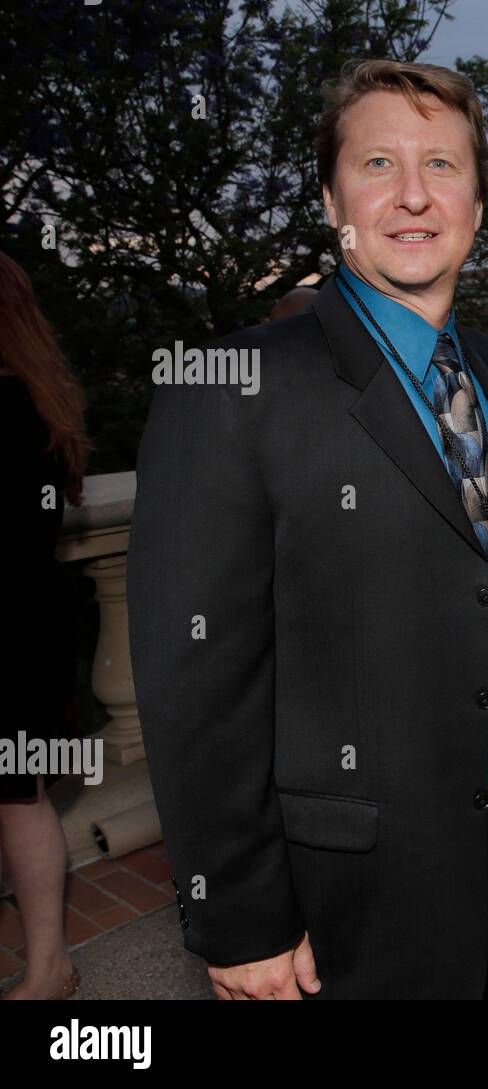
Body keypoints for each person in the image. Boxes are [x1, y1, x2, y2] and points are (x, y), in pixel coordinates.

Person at [129, 59, 488, 999]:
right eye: (378, 164)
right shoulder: (234, 387)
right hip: (353, 890)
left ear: (480, 204)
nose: (413, 195)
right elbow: (194, 677)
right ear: (333, 200)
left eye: (443, 166)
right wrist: (243, 919)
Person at [0, 251, 89, 1000]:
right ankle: (48, 961)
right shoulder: (38, 398)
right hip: (34, 621)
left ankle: (49, 964)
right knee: (18, 792)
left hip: (13, 630)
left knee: (16, 794)